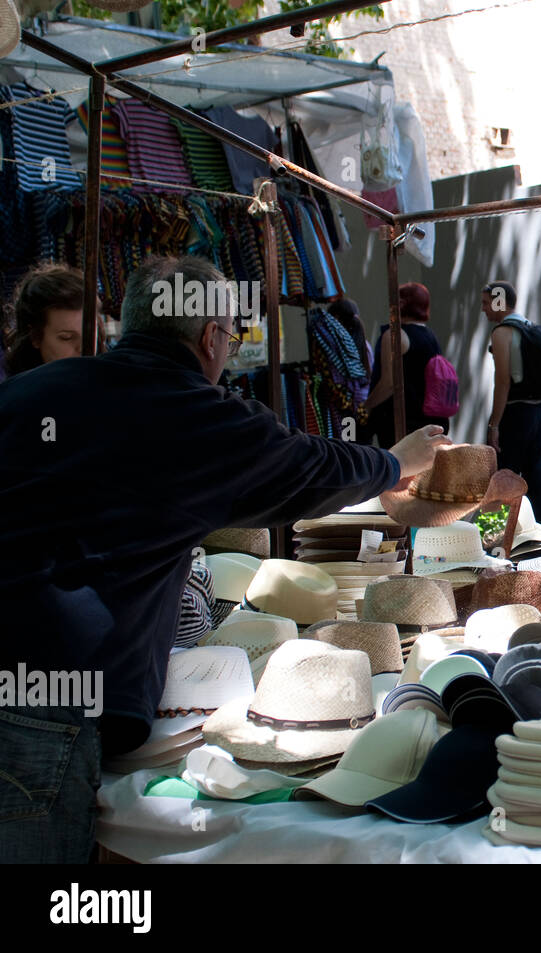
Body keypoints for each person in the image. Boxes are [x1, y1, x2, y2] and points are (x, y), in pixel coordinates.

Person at [0, 255, 446, 862]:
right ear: (210, 336)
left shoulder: (28, 393)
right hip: (41, 716)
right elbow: (308, 466)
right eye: (232, 337)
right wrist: (394, 464)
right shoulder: (194, 414)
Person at [482, 279, 541, 527]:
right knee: (539, 478)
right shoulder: (531, 328)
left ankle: (496, 532)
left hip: (517, 414)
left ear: (499, 301)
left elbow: (503, 382)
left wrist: (494, 424)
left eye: (485, 303)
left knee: (503, 476)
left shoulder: (502, 333)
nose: (483, 309)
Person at [365, 281, 450, 444]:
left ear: (401, 303)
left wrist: (366, 406)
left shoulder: (395, 335)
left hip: (402, 425)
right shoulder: (430, 336)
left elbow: (389, 384)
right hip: (432, 422)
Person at [2, 262, 106, 379]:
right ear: (35, 336)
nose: (82, 348)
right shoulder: (12, 392)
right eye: (66, 337)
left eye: (90, 335)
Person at [327, 296, 373, 404]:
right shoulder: (365, 345)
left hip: (349, 406)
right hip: (364, 403)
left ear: (336, 319)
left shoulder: (340, 348)